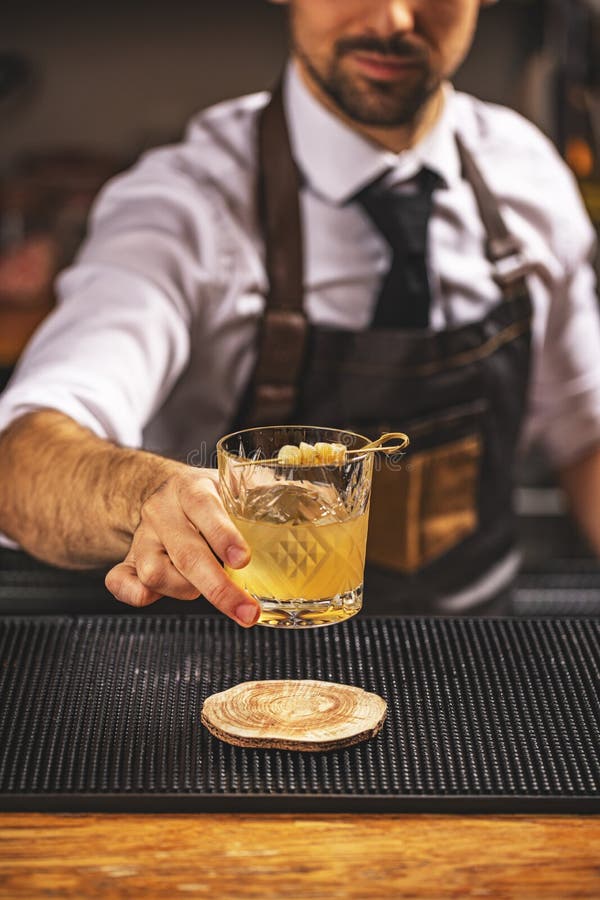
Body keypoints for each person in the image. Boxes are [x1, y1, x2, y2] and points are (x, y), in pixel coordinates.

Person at [1, 0, 599, 625]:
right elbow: (20, 462)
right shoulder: (188, 202)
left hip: (478, 665)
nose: (393, 20)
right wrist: (144, 492)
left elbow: (587, 434)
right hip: (239, 666)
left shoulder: (527, 172)